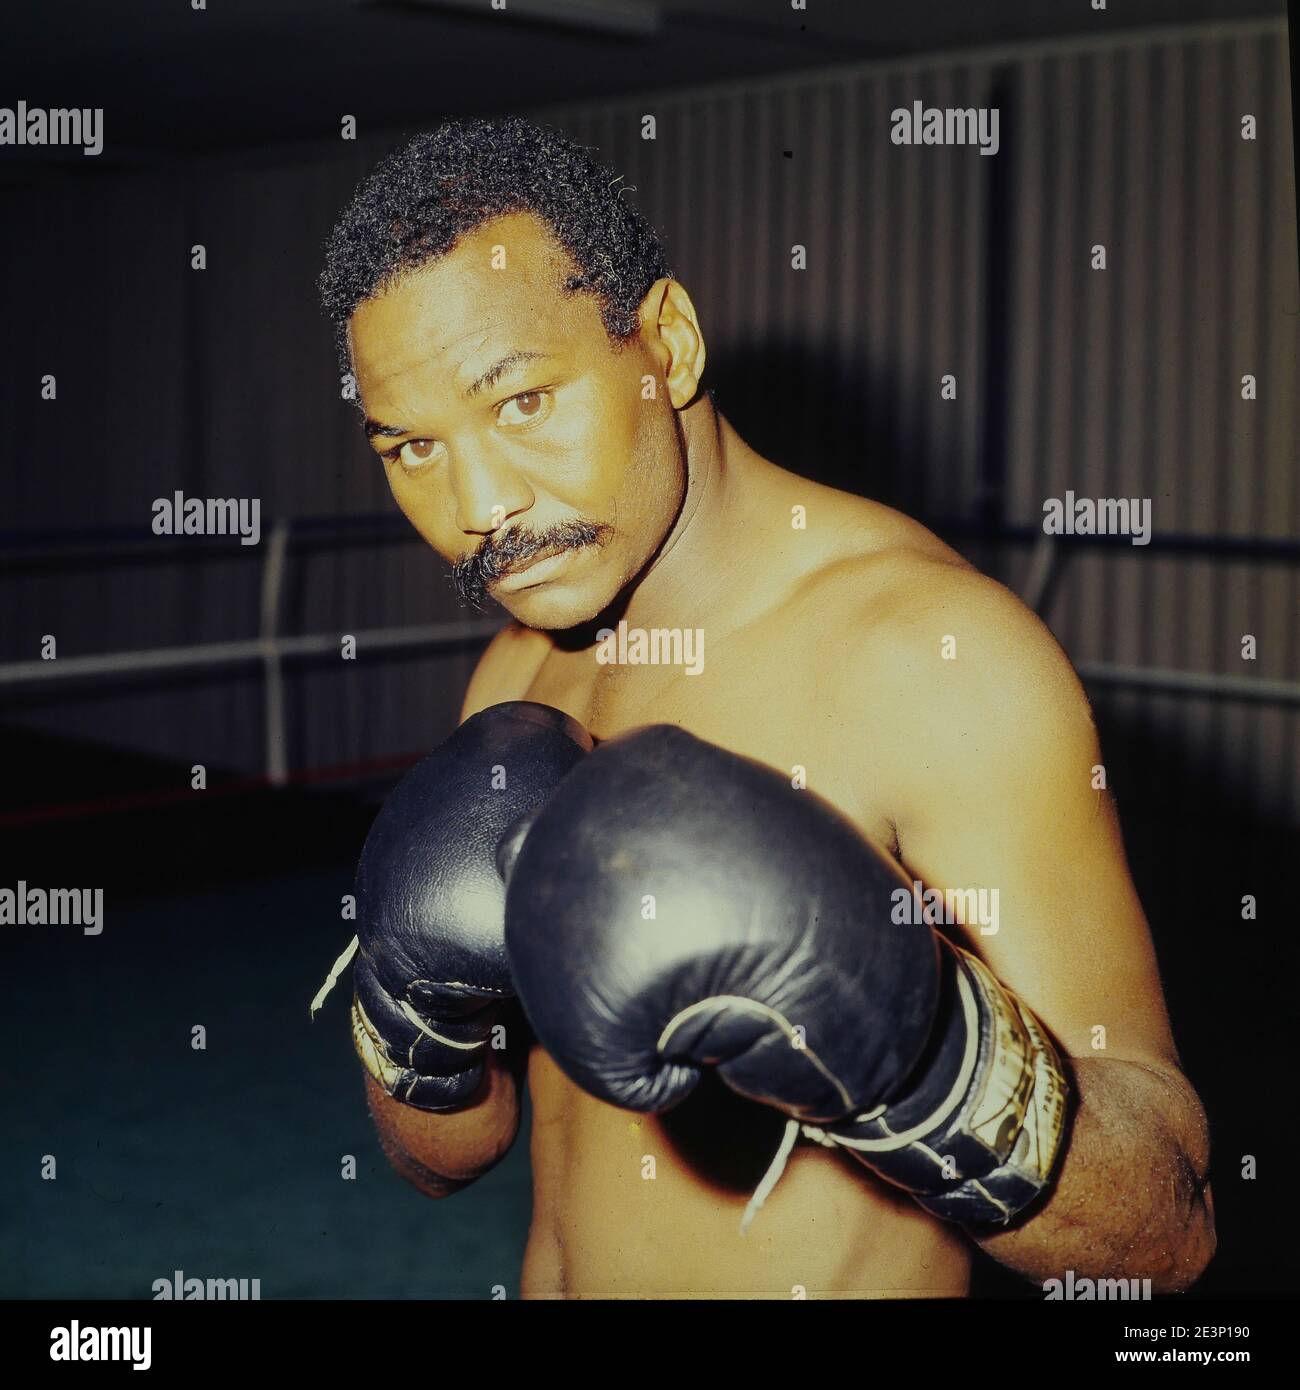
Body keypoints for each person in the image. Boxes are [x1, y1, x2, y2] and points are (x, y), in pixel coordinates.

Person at [318, 117, 1215, 1299]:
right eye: (412, 447)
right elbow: (450, 1157)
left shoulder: (932, 658)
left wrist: (927, 1055)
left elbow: (1168, 1233)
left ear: (670, 344)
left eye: (524, 401)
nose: (479, 503)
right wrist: (411, 1010)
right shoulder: (521, 675)